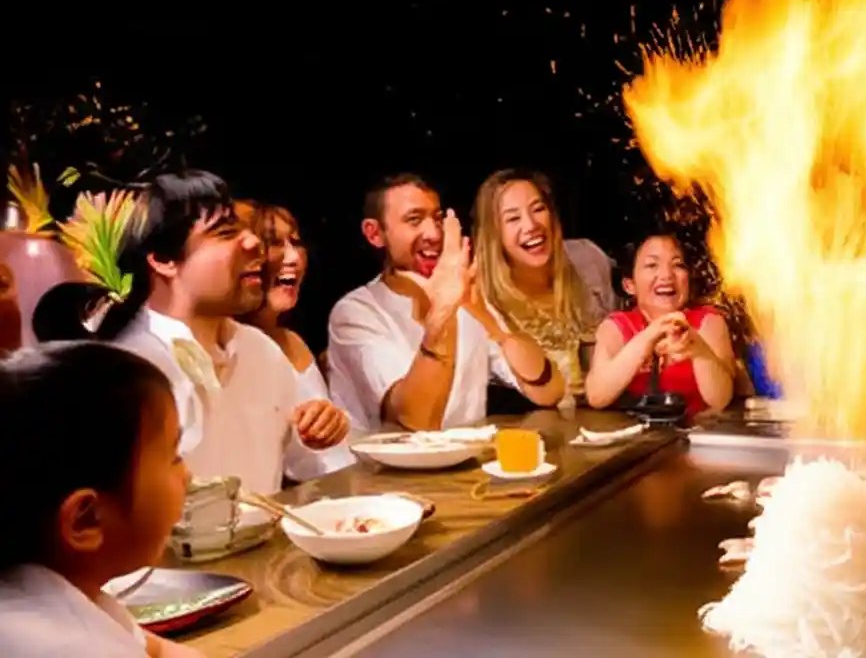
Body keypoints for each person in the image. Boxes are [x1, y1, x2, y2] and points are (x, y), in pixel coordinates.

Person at [35, 171, 351, 495]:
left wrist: (324, 427)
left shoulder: (262, 352)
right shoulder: (128, 374)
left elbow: (308, 467)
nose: (254, 243)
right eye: (225, 232)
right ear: (163, 259)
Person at [0, 342, 200, 657]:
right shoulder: (75, 648)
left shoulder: (34, 596)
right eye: (174, 456)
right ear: (86, 519)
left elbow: (153, 647)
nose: (187, 474)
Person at [327, 172, 564, 436]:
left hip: (466, 468)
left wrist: (488, 320)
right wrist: (443, 313)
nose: (433, 233)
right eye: (414, 220)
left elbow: (549, 390)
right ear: (374, 234)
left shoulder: (463, 295)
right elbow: (415, 423)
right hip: (389, 475)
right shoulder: (356, 312)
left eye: (438, 219)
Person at [470, 168, 618, 407]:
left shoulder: (588, 261)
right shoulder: (481, 298)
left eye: (538, 209)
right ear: (493, 233)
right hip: (528, 435)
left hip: (605, 429)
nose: (531, 225)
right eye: (513, 218)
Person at [234, 200, 354, 480]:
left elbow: (328, 452)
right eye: (273, 243)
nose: (294, 258)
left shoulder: (293, 340)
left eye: (296, 242)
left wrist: (335, 422)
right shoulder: (233, 352)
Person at [585, 233, 735, 415]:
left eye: (678, 265)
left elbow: (721, 400)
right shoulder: (616, 326)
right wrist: (650, 335)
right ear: (629, 285)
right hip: (636, 437)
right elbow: (596, 396)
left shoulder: (709, 321)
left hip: (698, 435)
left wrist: (698, 349)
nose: (666, 275)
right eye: (651, 265)